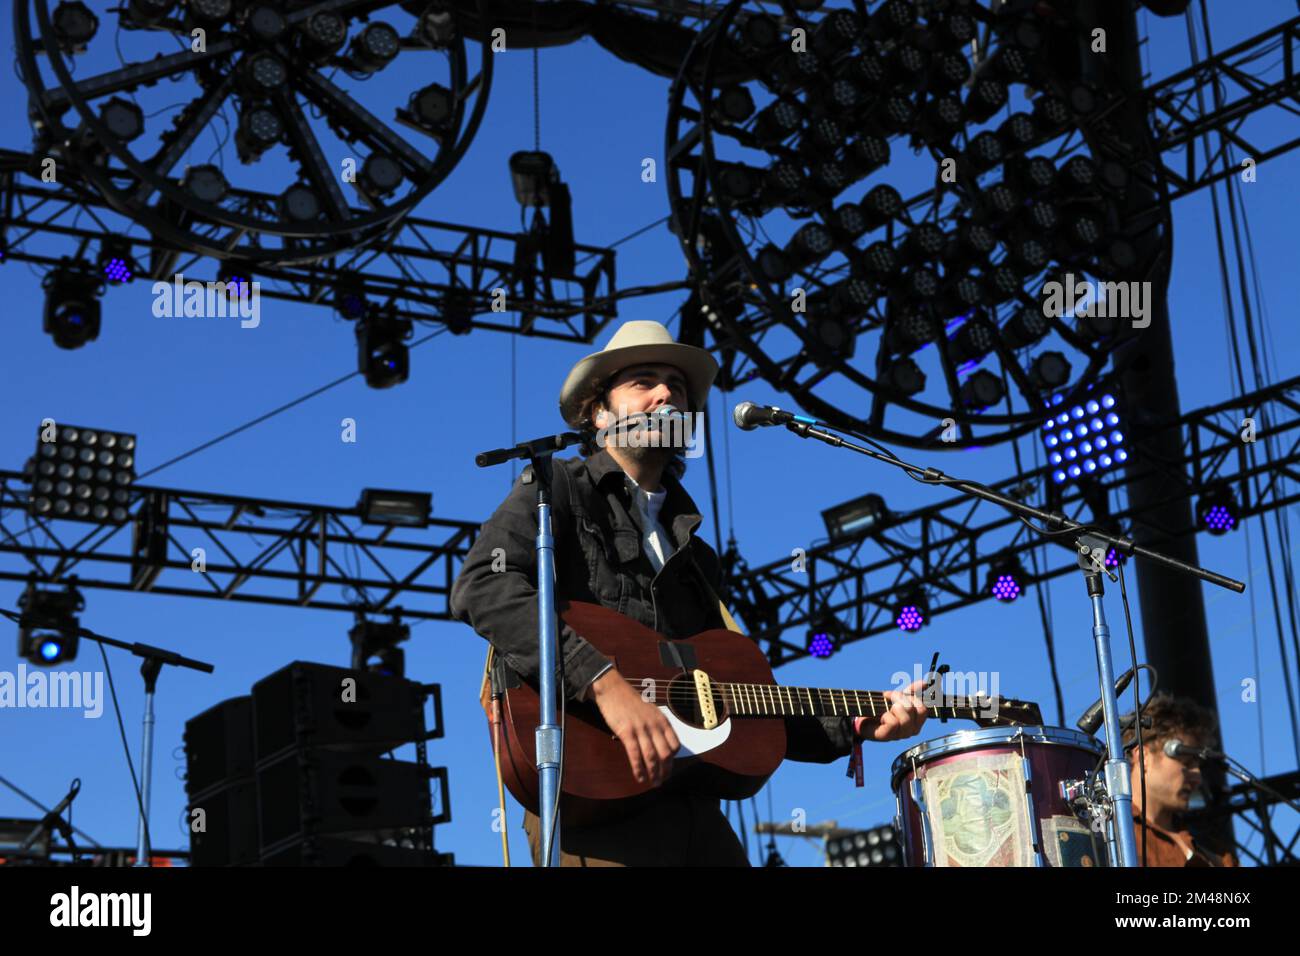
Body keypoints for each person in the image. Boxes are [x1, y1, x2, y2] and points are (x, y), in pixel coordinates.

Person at [449, 320, 929, 866]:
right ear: (599, 413)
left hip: (689, 801)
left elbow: (735, 696)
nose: (665, 395)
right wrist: (605, 685)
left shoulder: (696, 557)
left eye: (676, 387)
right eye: (643, 382)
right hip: (595, 794)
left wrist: (857, 723)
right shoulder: (555, 488)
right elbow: (481, 586)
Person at [1122, 693, 1237, 867]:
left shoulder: (1217, 853)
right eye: (1187, 762)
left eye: (1199, 765)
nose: (1197, 776)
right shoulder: (1109, 834)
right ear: (1143, 756)